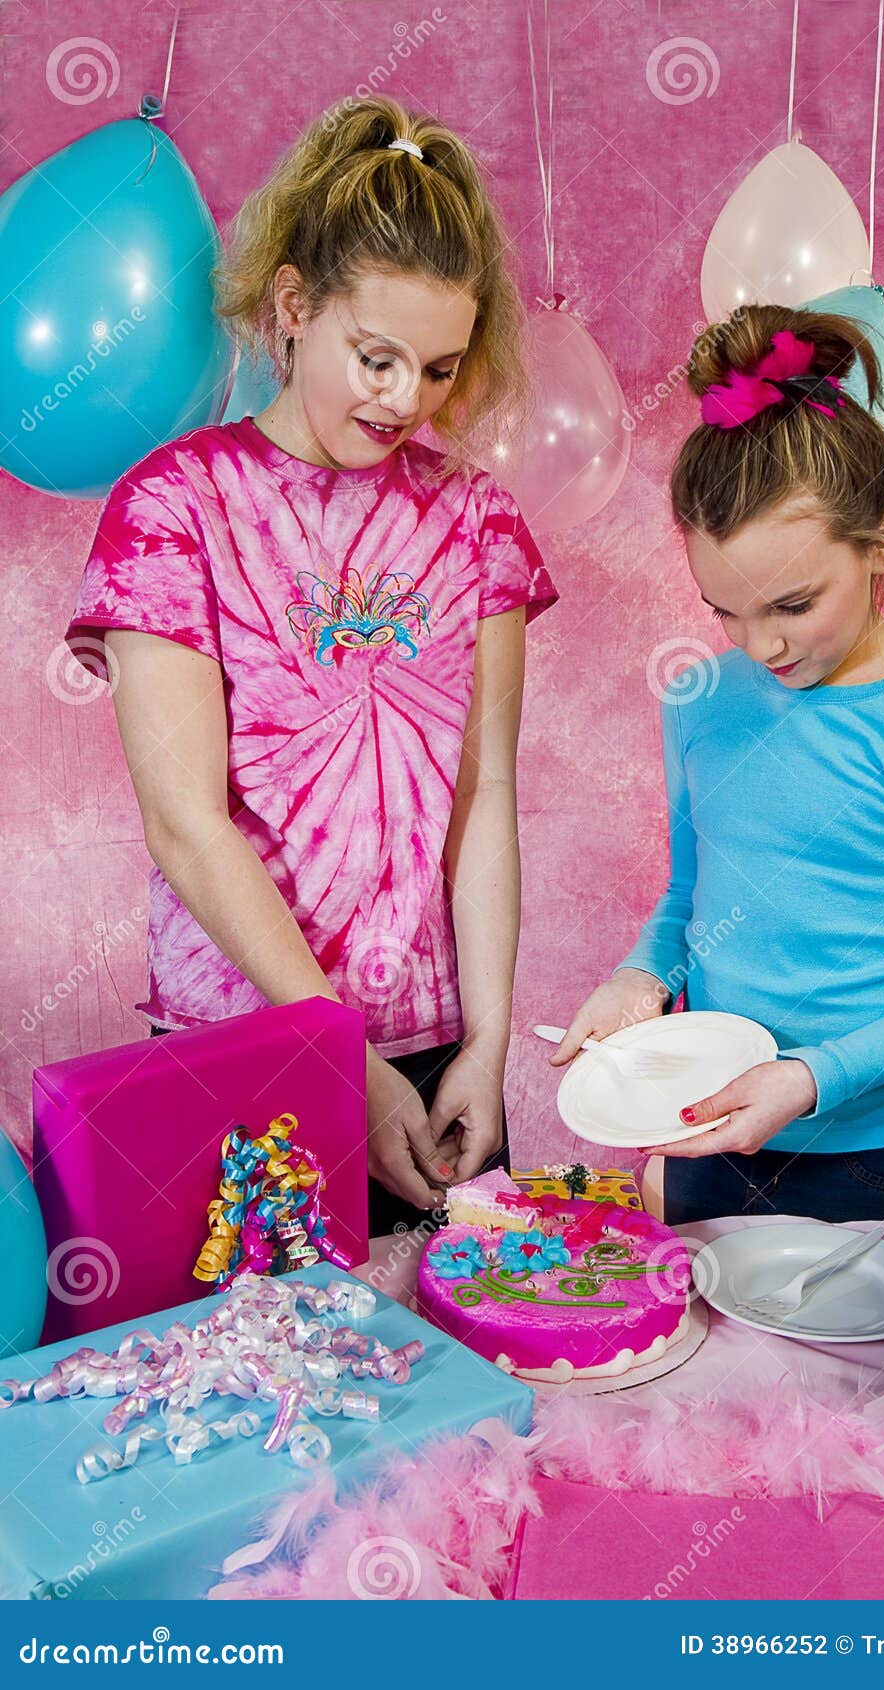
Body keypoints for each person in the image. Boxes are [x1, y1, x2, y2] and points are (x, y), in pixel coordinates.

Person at [63, 96, 558, 1237]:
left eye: (437, 369)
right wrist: (336, 1053)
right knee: (262, 1347)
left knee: (443, 1340)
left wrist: (487, 1044)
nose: (404, 400)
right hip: (242, 1046)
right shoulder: (173, 508)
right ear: (293, 307)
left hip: (432, 1056)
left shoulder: (475, 520)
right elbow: (186, 823)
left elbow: (481, 795)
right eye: (375, 357)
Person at [553, 306, 884, 1224]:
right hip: (703, 1130)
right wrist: (638, 982)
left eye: (792, 604)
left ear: (881, 540)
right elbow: (689, 898)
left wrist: (809, 1077)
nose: (759, 644)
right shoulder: (696, 702)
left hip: (876, 1156)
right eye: (724, 610)